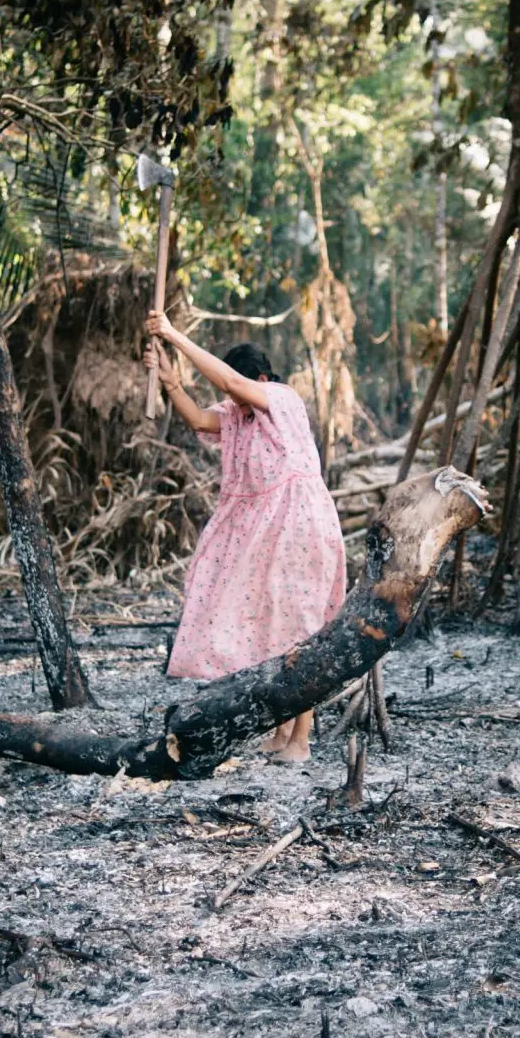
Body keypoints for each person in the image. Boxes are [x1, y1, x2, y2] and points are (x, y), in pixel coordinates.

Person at [144, 310, 346, 762]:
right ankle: (281, 729)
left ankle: (301, 739)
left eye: (237, 389)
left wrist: (174, 335)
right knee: (267, 625)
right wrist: (169, 379)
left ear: (260, 378)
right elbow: (200, 420)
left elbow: (233, 383)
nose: (231, 400)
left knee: (297, 627)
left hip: (297, 523)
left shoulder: (280, 397)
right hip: (263, 528)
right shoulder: (238, 414)